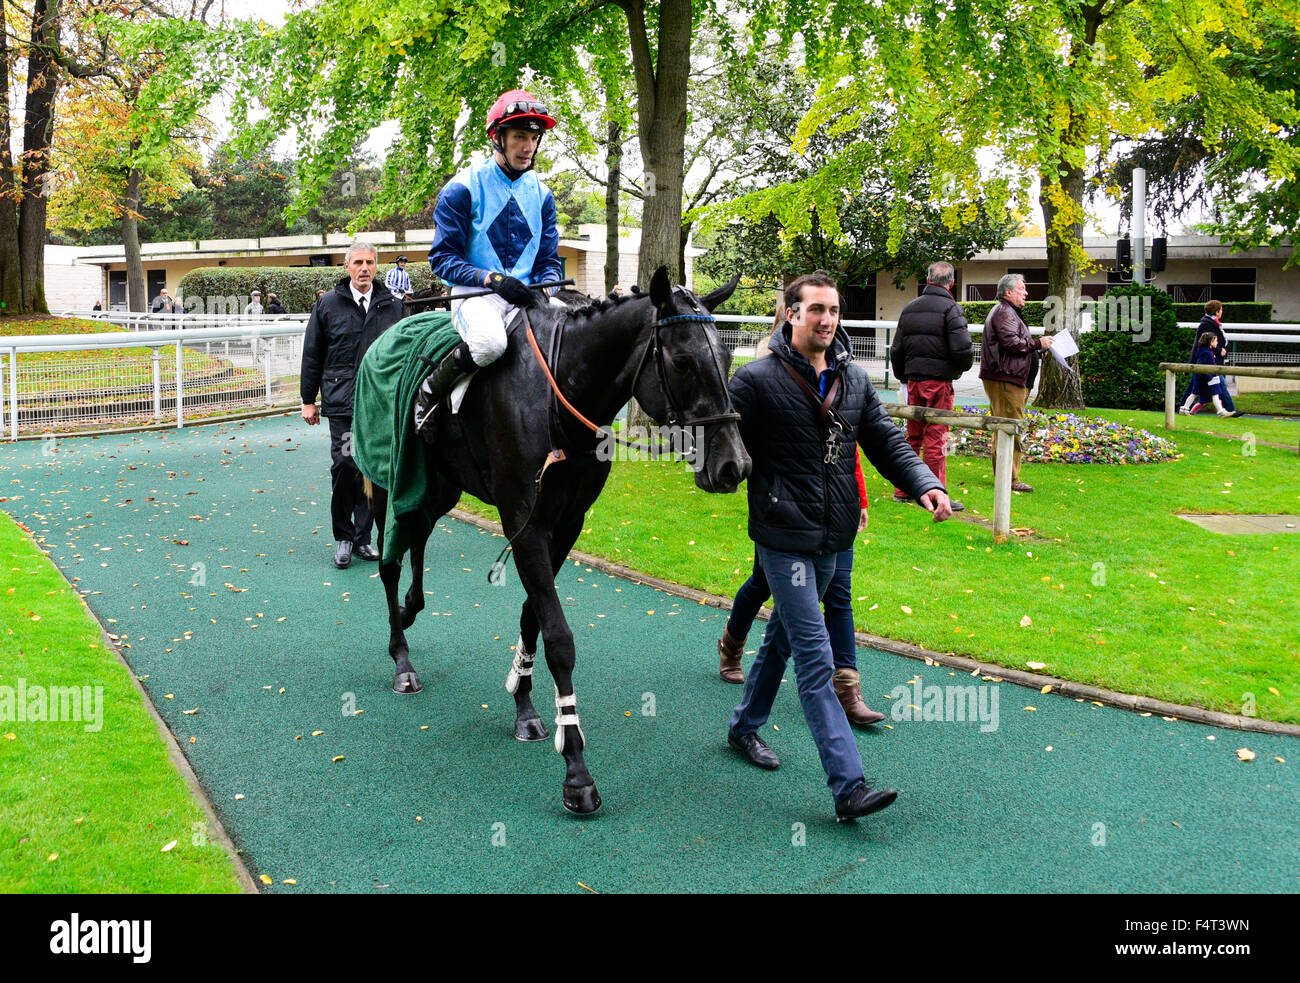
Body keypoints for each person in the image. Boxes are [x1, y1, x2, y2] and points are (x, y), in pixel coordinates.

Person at [726, 270, 953, 822]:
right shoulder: (754, 381)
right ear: (790, 314)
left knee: (781, 638)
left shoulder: (854, 380)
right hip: (783, 537)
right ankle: (848, 786)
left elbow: (885, 440)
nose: (826, 320)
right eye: (815, 310)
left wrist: (927, 483)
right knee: (813, 655)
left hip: (835, 535)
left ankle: (742, 727)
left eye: (833, 311)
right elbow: (720, 447)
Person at [417, 88, 563, 441]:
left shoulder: (543, 195)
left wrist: (547, 288)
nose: (527, 146)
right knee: (489, 343)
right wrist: (493, 279)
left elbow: (548, 262)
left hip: (527, 296)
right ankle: (429, 395)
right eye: (519, 137)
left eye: (533, 137)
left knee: (572, 336)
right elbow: (442, 259)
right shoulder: (462, 188)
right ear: (498, 138)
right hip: (475, 295)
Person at [718, 452, 885, 726]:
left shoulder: (840, 408)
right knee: (761, 584)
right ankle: (731, 647)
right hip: (786, 513)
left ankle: (847, 688)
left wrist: (860, 500)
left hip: (838, 507)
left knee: (838, 592)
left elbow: (848, 450)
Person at [300, 241, 404, 569]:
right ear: (347, 267)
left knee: (372, 471)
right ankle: (343, 537)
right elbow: (313, 353)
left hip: (379, 405)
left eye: (370, 263)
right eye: (358, 262)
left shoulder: (393, 306)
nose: (364, 268)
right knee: (346, 466)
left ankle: (364, 539)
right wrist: (307, 400)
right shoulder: (328, 305)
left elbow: (403, 354)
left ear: (376, 266)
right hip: (342, 403)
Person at [889, 260, 973, 511]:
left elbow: (897, 349)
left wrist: (904, 376)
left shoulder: (910, 309)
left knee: (913, 436)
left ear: (927, 280)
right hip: (939, 382)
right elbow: (963, 350)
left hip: (914, 381)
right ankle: (936, 492)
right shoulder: (952, 309)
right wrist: (957, 370)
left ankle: (904, 488)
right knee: (936, 437)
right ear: (952, 283)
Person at [979, 273, 1053, 493]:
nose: (1026, 293)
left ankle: (1008, 476)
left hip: (1010, 379)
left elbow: (1017, 345)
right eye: (1022, 289)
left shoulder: (1008, 312)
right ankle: (1009, 479)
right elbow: (1012, 344)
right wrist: (1038, 343)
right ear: (1008, 292)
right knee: (1008, 428)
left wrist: (1037, 350)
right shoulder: (1004, 312)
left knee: (1008, 426)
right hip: (1005, 380)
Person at [1180, 300, 1243, 417]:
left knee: (1195, 388)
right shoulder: (1207, 324)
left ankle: (1183, 407)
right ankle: (1229, 410)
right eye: (1221, 310)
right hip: (1208, 361)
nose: (1222, 312)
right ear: (1217, 311)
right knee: (1219, 386)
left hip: (1206, 361)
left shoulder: (1211, 322)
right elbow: (1205, 342)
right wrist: (1219, 350)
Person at [1179, 331, 1234, 417]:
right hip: (1206, 378)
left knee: (1199, 393)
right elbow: (1202, 367)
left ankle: (1184, 408)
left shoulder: (1206, 351)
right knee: (1211, 393)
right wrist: (1210, 377)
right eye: (1216, 341)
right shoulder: (1206, 352)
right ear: (1211, 342)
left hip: (1205, 377)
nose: (1217, 342)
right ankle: (1221, 412)